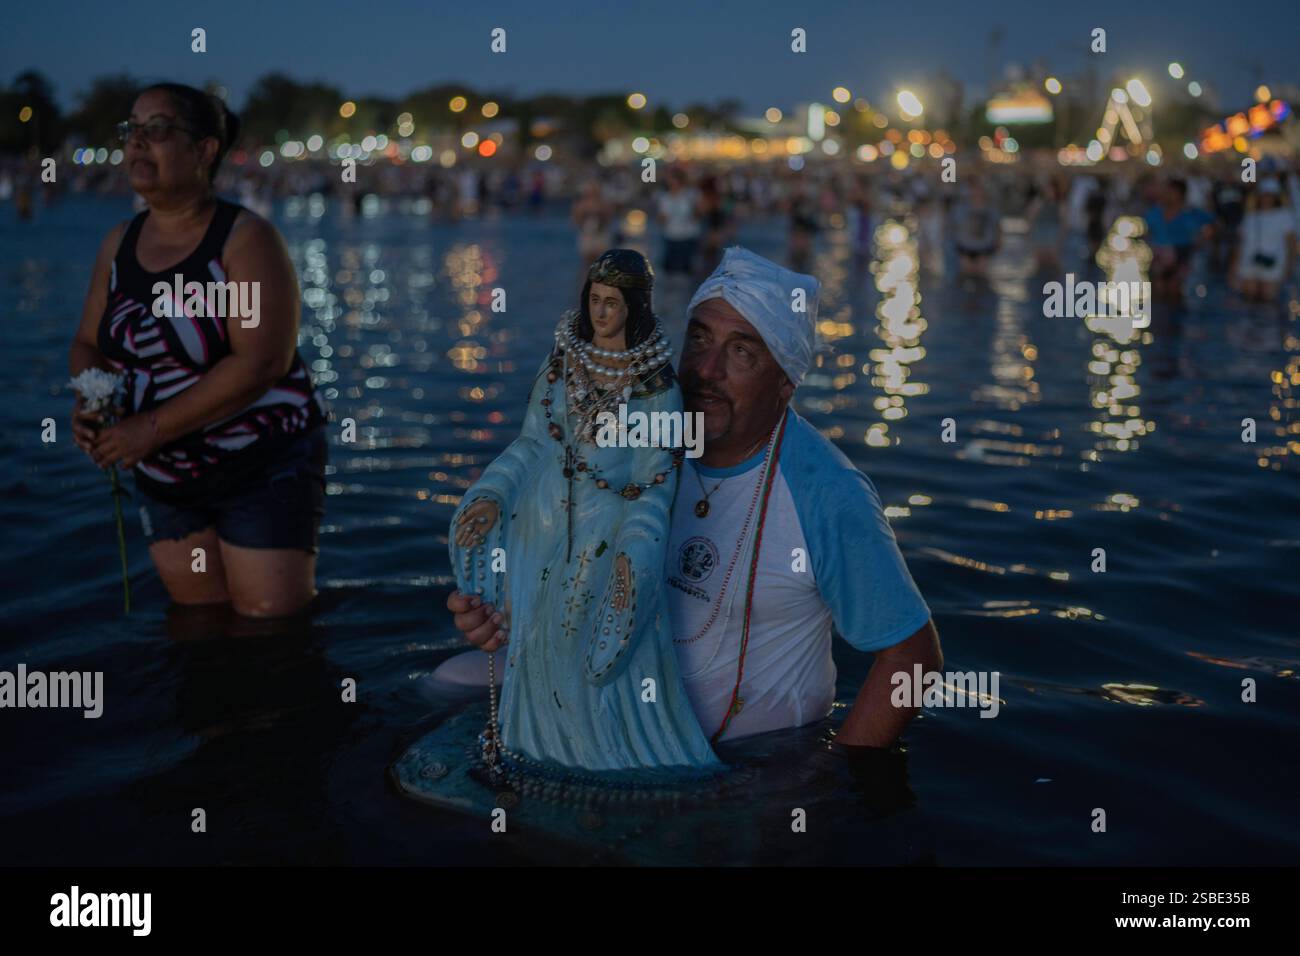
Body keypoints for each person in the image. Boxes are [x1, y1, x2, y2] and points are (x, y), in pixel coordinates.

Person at [447, 246, 943, 758]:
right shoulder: (637, 441)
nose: (707, 369)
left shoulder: (827, 491)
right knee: (444, 682)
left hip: (747, 764)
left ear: (787, 382)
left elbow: (912, 657)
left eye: (742, 352)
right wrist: (504, 613)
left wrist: (835, 776)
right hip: (605, 708)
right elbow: (565, 546)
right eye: (701, 338)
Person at [448, 249, 720, 774]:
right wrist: (493, 496)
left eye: (612, 303)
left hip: (608, 543)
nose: (600, 313)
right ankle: (532, 749)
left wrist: (634, 554)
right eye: (594, 300)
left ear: (633, 307)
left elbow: (655, 483)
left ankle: (602, 762)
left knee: (591, 657)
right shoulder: (560, 368)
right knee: (536, 649)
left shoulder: (656, 389)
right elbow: (531, 445)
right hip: (541, 537)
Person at [68, 82, 328, 619]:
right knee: (198, 624)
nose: (137, 143)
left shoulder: (244, 240)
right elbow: (89, 342)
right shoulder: (118, 243)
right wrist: (92, 401)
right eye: (130, 131)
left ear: (205, 150)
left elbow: (260, 360)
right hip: (165, 474)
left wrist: (150, 427)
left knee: (269, 628)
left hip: (258, 463)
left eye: (157, 130)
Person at [1143, 177, 1212, 303]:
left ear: (1181, 194)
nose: (1168, 195)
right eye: (1166, 192)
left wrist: (1198, 243)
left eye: (1171, 192)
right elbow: (1144, 230)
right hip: (1159, 254)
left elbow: (1211, 226)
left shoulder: (1190, 214)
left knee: (1175, 289)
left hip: (1181, 253)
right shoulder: (1155, 212)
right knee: (1158, 288)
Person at [1230, 178, 1296, 302]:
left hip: (1275, 262)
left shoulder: (1284, 215)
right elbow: (1240, 244)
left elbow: (1291, 244)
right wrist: (1233, 268)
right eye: (1264, 195)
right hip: (1249, 261)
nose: (1267, 198)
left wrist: (1289, 267)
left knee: (1268, 300)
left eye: (1270, 195)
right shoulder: (1250, 216)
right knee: (1248, 300)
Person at [657, 168, 700, 274]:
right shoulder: (664, 197)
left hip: (688, 236)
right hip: (671, 235)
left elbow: (699, 213)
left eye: (673, 180)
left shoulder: (691, 194)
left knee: (686, 268)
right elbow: (661, 218)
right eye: (669, 180)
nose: (671, 183)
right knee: (669, 268)